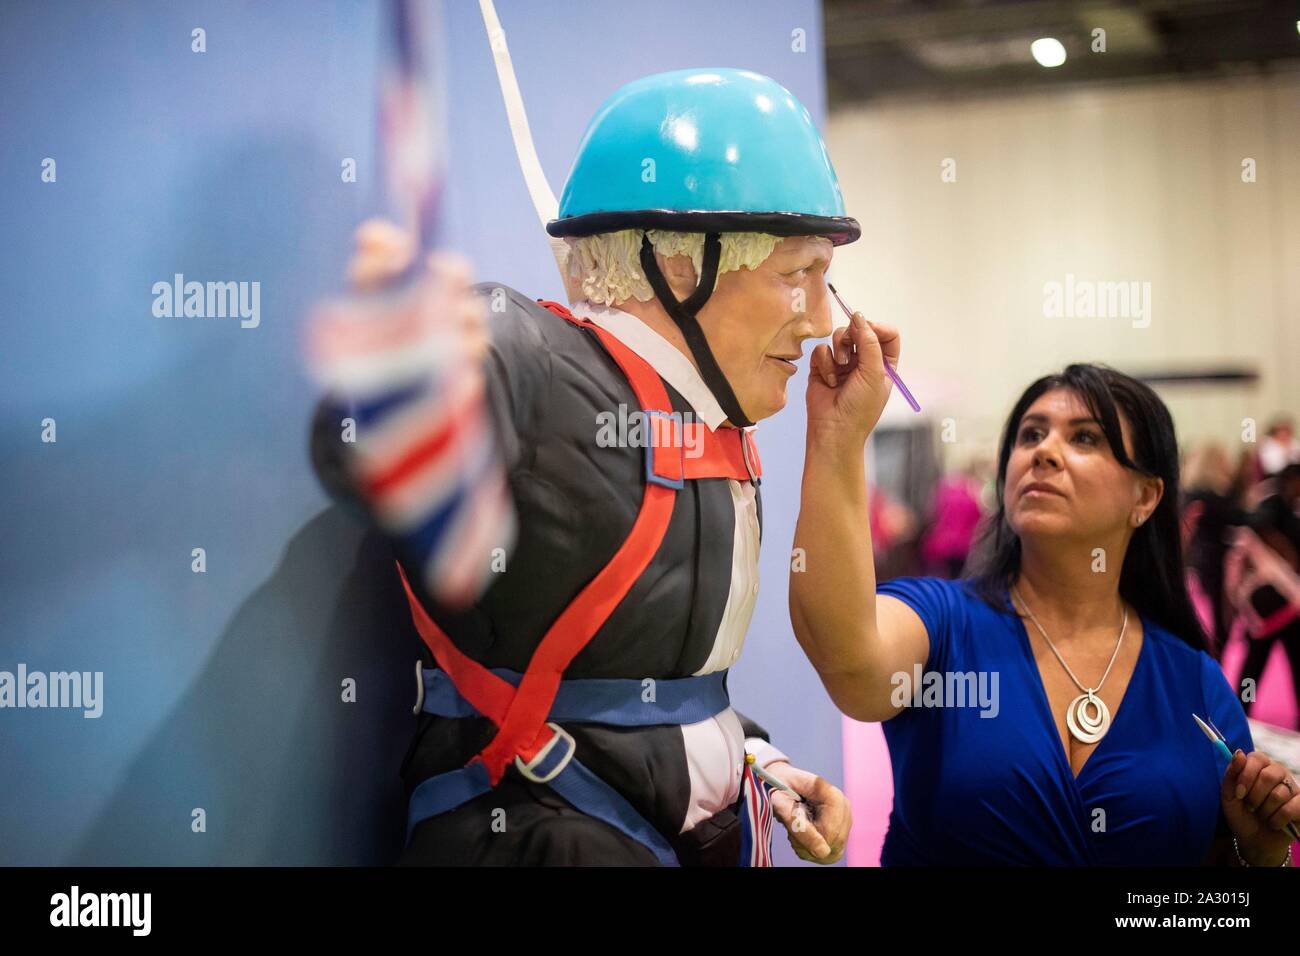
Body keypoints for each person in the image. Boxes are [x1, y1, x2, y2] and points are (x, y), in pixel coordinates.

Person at [310, 68, 852, 865]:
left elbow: (653, 686)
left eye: (824, 279)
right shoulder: (530, 356)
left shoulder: (714, 426)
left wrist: (753, 760)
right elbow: (366, 440)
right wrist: (398, 387)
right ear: (677, 268)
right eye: (794, 276)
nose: (818, 319)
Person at [788, 329, 1300, 865]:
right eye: (1030, 435)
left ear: (1145, 496)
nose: (1044, 453)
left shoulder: (1194, 681)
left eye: (1084, 439)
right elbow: (847, 658)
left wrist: (1259, 855)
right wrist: (838, 434)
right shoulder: (944, 625)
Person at [1232, 464, 1300, 727]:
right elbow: (1252, 524)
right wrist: (1285, 553)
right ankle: (1239, 710)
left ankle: (1240, 709)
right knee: (1254, 662)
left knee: (1284, 661)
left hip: (1287, 601)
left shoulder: (1288, 505)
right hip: (1271, 600)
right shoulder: (1272, 503)